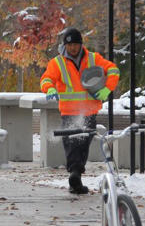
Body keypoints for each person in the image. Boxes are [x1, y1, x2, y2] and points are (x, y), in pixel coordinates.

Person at [40, 27, 120, 194]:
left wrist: (107, 89)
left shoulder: (93, 58)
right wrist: (49, 89)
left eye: (76, 44)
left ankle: (75, 175)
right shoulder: (57, 62)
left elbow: (113, 69)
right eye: (69, 45)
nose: (73, 48)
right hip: (69, 112)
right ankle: (75, 173)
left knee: (84, 143)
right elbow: (46, 78)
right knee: (71, 143)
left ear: (81, 44)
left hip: (89, 111)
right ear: (64, 45)